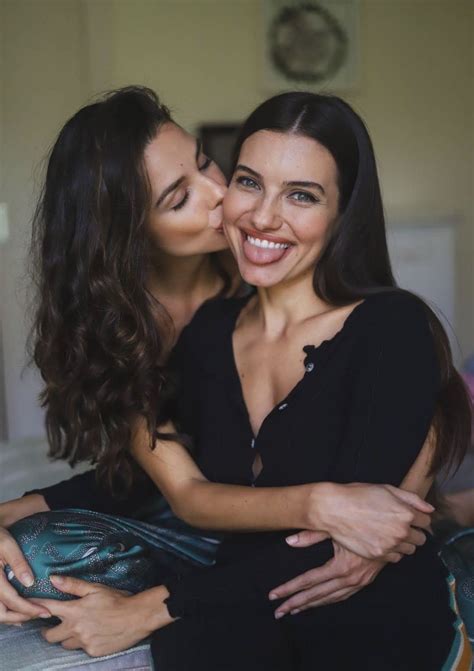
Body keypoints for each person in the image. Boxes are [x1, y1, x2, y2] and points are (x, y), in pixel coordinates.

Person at [0, 88, 452, 665]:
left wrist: (392, 515)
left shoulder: (333, 296)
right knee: (32, 557)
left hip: (328, 563)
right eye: (181, 196)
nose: (228, 200)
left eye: (208, 164)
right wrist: (16, 510)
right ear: (129, 232)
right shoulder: (187, 334)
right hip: (215, 517)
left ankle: (449, 515)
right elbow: (174, 481)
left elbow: (421, 404)